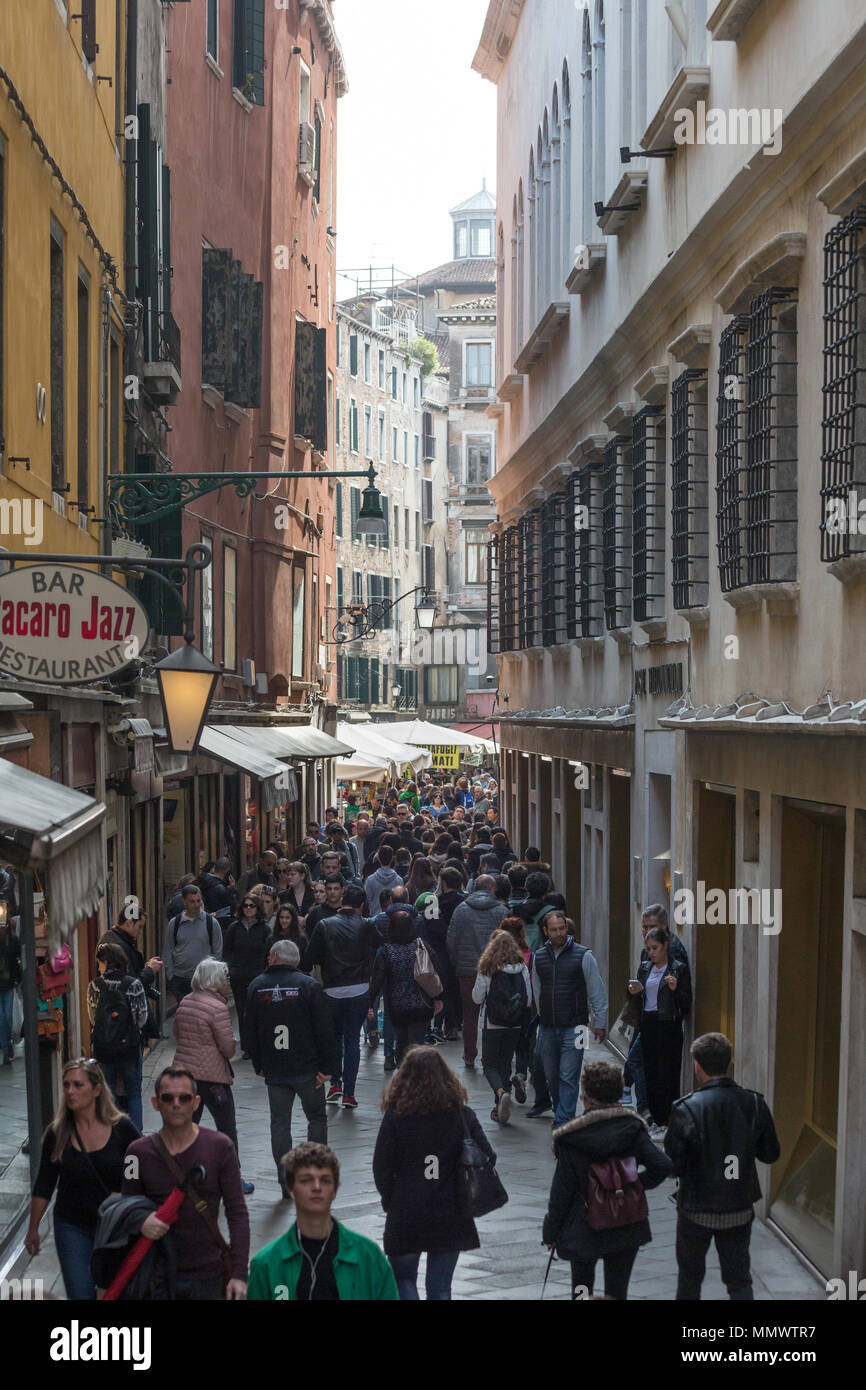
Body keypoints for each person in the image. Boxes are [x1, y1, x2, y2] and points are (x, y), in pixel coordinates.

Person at [372, 1046, 497, 1300]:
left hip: (406, 1210)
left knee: (403, 1279)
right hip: (450, 1210)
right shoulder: (462, 1116)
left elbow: (381, 1167)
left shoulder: (396, 1117)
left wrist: (390, 1199)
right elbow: (488, 1156)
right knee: (440, 1288)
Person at [543, 1060, 673, 1300]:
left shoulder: (572, 1137)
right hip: (625, 1222)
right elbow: (662, 1165)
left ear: (586, 1096)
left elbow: (560, 1193)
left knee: (581, 1292)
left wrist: (550, 1233)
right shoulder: (633, 1128)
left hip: (583, 1226)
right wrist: (630, 1185)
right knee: (617, 1292)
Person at [665, 1032, 781, 1301]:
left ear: (697, 1066)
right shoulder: (754, 1103)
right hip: (738, 1206)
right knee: (739, 1280)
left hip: (696, 1208)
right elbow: (770, 1154)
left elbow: (674, 1164)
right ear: (728, 1062)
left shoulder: (686, 1108)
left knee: (690, 1278)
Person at [123, 1065, 250, 1300]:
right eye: (168, 1097)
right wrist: (142, 1220)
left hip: (208, 1276)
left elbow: (237, 1212)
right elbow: (127, 1206)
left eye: (184, 1098)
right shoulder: (136, 1153)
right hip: (156, 1277)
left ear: (196, 1102)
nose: (176, 1104)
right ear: (156, 1103)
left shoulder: (221, 1147)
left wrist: (240, 1273)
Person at [26, 1058, 139, 1299]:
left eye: (78, 1085)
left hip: (115, 1226)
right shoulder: (57, 1134)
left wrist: (126, 1196)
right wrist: (33, 1229)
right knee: (80, 1293)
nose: (70, 1091)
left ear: (97, 1089)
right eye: (66, 1085)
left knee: (118, 1292)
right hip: (72, 1225)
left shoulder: (122, 1129)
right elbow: (44, 1185)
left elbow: (138, 1175)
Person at [248, 1142, 398, 1300]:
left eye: (325, 1180)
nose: (317, 1187)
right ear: (290, 1188)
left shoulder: (369, 1258)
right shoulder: (266, 1265)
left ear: (335, 1189)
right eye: (306, 1180)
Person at [245, 940, 335, 1197]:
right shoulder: (309, 986)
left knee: (279, 1123)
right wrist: (327, 1067)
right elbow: (324, 1029)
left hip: (275, 1069)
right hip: (308, 1068)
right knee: (316, 1118)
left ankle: (286, 1181)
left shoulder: (256, 986)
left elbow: (249, 1029)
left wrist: (258, 1062)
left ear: (273, 956)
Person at [171, 957, 254, 1195]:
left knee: (186, 1128)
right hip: (213, 1078)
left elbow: (177, 1032)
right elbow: (228, 1048)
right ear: (215, 981)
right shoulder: (218, 1008)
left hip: (186, 1076)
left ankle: (179, 1177)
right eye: (225, 978)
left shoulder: (186, 1001)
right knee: (227, 1130)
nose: (228, 982)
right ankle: (232, 1179)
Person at [302, 883, 377, 1110]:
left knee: (334, 1037)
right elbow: (378, 945)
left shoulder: (324, 925)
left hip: (332, 990)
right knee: (352, 1038)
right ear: (361, 905)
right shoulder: (366, 925)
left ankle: (335, 1083)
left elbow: (309, 958)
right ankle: (349, 1093)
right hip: (359, 989)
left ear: (343, 900)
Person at [533, 911, 608, 1127]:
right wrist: (542, 1015)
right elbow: (537, 990)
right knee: (552, 1075)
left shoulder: (584, 955)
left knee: (569, 1074)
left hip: (577, 1028)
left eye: (561, 929)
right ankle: (561, 1110)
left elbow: (597, 991)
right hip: (547, 1026)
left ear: (567, 928)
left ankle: (563, 1121)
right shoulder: (539, 957)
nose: (558, 933)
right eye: (554, 930)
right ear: (546, 931)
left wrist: (600, 1023)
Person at [624, 904, 690, 1116]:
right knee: (648, 1068)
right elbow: (642, 988)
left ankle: (649, 1110)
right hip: (648, 1020)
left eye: (651, 926)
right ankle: (648, 1110)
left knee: (651, 1067)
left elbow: (683, 997)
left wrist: (674, 991)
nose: (646, 931)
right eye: (644, 927)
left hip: (666, 1023)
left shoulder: (675, 955)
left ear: (664, 927)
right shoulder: (646, 957)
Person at [446, 874, 507, 1070]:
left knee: (469, 1014)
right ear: (492, 887)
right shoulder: (501, 911)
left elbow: (451, 940)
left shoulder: (461, 909)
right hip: (495, 970)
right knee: (494, 1013)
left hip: (467, 969)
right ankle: (492, 1055)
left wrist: (458, 963)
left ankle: (469, 1054)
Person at [87, 941, 149, 1129]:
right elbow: (142, 1017)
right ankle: (136, 1136)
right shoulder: (134, 984)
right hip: (129, 1048)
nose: (98, 967)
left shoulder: (95, 986)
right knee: (134, 1094)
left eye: (99, 963)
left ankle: (112, 1136)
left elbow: (92, 1017)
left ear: (106, 962)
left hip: (104, 1049)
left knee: (109, 1093)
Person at [472, 930, 531, 1124]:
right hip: (515, 1024)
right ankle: (499, 1104)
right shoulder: (522, 967)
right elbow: (528, 999)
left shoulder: (487, 967)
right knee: (506, 1063)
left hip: (492, 1023)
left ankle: (500, 1093)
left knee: (489, 1064)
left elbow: (477, 997)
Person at [368, 910, 443, 1064]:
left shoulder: (386, 951)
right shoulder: (421, 946)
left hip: (397, 1007)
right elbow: (437, 969)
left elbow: (377, 980)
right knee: (418, 1046)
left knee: (401, 1043)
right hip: (421, 1004)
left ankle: (403, 1077)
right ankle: (416, 1078)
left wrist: (369, 1003)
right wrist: (439, 997)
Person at [223, 894, 270, 1043]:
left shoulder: (265, 929)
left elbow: (268, 952)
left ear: (258, 908)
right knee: (241, 1010)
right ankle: (246, 1044)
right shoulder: (234, 928)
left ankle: (258, 1042)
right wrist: (230, 970)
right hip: (239, 976)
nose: (248, 908)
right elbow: (227, 951)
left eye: (252, 905)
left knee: (257, 1011)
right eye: (245, 905)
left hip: (258, 976)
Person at [164, 883, 222, 1003]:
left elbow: (218, 951)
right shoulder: (175, 923)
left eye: (198, 901)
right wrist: (171, 975)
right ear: (184, 901)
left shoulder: (211, 923)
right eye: (192, 901)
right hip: (180, 978)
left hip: (204, 980)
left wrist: (213, 977)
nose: (196, 905)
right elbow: (168, 949)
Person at [0, 916, 21, 1064]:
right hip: (4, 984)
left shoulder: (12, 941)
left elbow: (16, 960)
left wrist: (17, 979)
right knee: (1, 1019)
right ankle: (6, 1050)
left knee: (7, 1017)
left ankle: (7, 1043)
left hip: (8, 984)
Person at [364, 844, 403, 916]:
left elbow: (367, 900)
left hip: (375, 916)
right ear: (392, 858)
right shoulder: (399, 880)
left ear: (378, 858)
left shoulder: (370, 880)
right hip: (394, 917)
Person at [198, 857, 238, 923]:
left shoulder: (203, 881)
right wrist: (232, 890)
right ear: (227, 872)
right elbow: (232, 908)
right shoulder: (221, 889)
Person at [305, 873, 346, 937]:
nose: (332, 892)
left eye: (336, 889)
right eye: (329, 888)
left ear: (342, 890)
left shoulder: (348, 912)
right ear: (326, 890)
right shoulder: (315, 913)